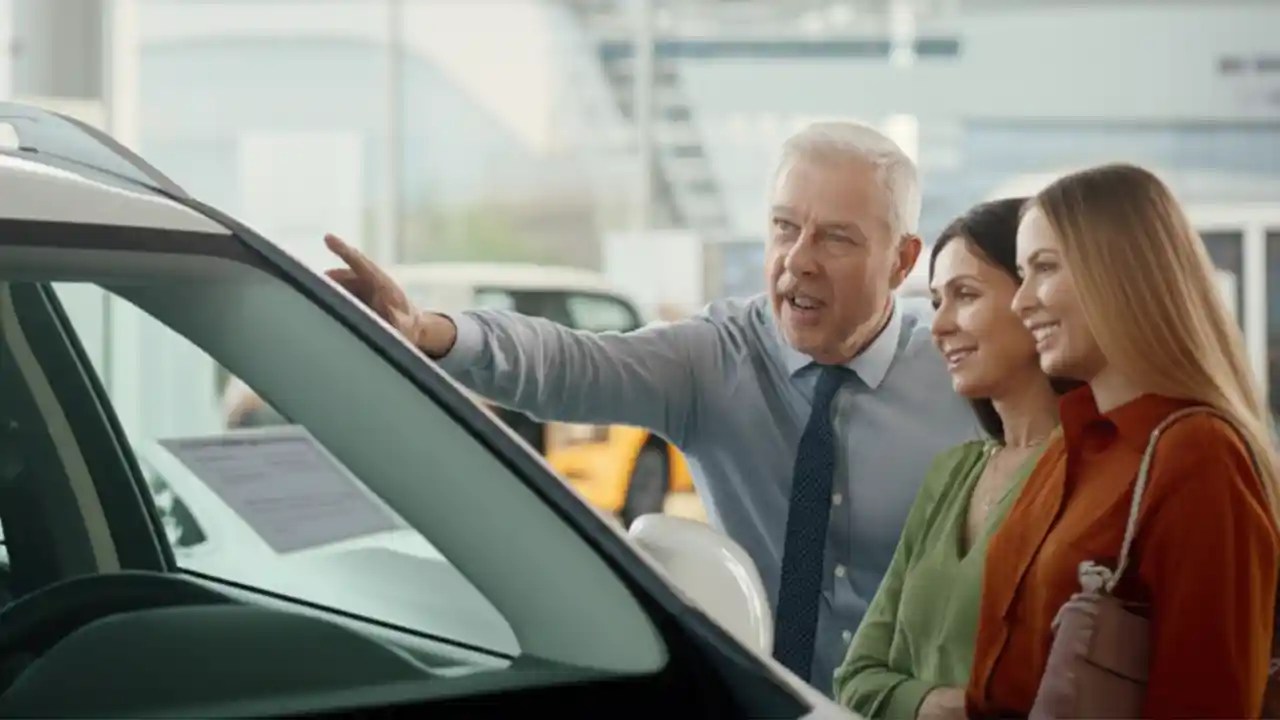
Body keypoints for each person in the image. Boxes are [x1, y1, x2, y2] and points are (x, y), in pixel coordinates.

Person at [321, 120, 981, 693]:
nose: (797, 261)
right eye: (784, 227)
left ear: (901, 261)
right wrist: (428, 331)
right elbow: (568, 363)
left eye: (836, 238)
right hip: (753, 700)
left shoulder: (968, 373)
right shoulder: (714, 359)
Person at [965, 163, 1280, 717]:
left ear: (1120, 273)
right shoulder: (1070, 447)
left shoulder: (1200, 455)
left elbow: (1208, 702)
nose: (1021, 301)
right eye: (1021, 270)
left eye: (1045, 267)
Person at [832, 197, 1070, 718]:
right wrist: (927, 704)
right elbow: (855, 675)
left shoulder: (1091, 472)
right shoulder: (953, 472)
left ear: (1037, 298)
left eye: (965, 295)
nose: (938, 326)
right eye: (937, 300)